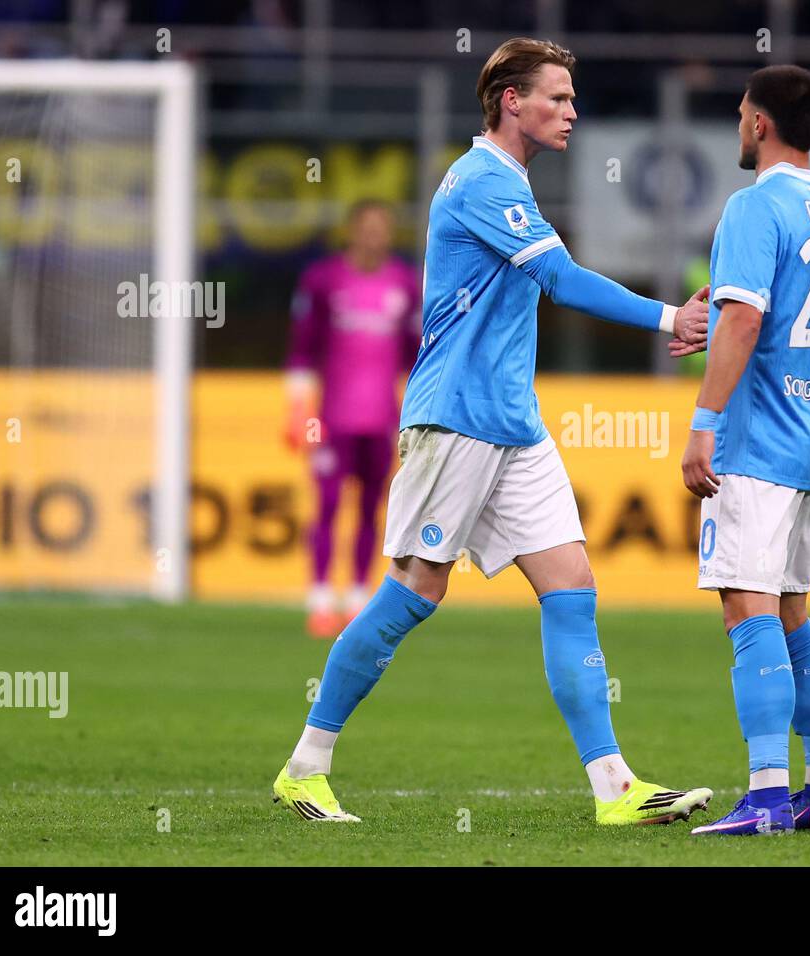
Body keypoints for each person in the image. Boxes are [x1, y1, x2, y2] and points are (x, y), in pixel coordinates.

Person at [272, 37, 714, 826]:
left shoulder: (507, 181)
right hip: (456, 419)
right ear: (513, 101)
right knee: (414, 593)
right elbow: (562, 280)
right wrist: (669, 316)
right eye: (558, 97)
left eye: (574, 98)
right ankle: (306, 766)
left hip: (514, 424)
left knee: (572, 587)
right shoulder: (481, 180)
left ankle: (615, 789)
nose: (573, 111)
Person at [682, 65, 810, 836]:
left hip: (758, 442)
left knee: (746, 609)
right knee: (790, 613)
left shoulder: (754, 207)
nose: (738, 125)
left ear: (759, 123)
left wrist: (703, 420)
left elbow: (745, 323)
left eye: (741, 114)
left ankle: (763, 797)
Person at [284, 200, 422, 638]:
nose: (373, 236)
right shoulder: (324, 281)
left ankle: (360, 595)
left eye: (382, 228)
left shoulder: (404, 284)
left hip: (381, 420)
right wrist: (297, 408)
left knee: (371, 508)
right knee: (326, 505)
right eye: (366, 227)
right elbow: (302, 349)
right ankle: (321, 596)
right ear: (351, 231)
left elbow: (415, 356)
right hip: (332, 419)